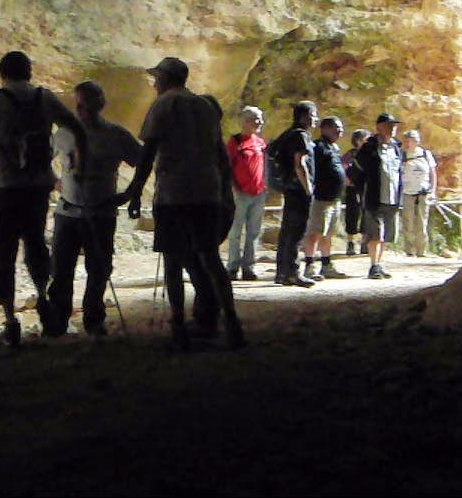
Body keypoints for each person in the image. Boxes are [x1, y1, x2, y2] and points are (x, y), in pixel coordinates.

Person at [119, 57, 245, 351]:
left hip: (175, 193)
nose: (154, 83)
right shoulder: (204, 106)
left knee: (173, 260)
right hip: (207, 191)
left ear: (166, 78)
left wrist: (135, 190)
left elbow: (149, 152)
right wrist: (225, 192)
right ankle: (232, 322)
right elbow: (220, 154)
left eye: (156, 78)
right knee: (211, 258)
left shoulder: (164, 104)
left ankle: (178, 327)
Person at [0, 51, 86, 348]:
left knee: (1, 252)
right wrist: (77, 162)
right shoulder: (44, 99)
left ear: (1, 73)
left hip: (2, 186)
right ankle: (43, 298)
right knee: (35, 244)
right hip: (37, 185)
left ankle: (10, 319)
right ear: (30, 72)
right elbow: (75, 126)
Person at [48, 81, 141, 337]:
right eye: (79, 104)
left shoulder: (116, 134)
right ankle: (58, 319)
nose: (83, 110)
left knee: (99, 268)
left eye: (87, 104)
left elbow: (142, 161)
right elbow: (42, 159)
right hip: (68, 211)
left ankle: (94, 318)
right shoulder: (63, 134)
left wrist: (130, 193)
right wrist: (56, 182)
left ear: (99, 104)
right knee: (61, 268)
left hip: (101, 212)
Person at [270, 101, 318, 288]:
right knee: (296, 232)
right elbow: (300, 164)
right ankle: (293, 272)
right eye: (313, 115)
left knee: (287, 232)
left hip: (289, 188)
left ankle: (281, 273)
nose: (315, 119)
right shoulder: (301, 136)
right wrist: (309, 188)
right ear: (304, 116)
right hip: (299, 190)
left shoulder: (287, 134)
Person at [350, 113, 404, 279]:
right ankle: (373, 265)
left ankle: (379, 264)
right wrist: (362, 191)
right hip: (374, 197)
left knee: (386, 233)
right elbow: (356, 171)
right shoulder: (369, 147)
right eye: (389, 125)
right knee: (375, 233)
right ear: (379, 127)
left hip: (392, 197)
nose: (392, 128)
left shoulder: (396, 147)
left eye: (394, 125)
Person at [225, 106, 267, 281]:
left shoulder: (261, 143)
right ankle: (232, 267)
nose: (260, 122)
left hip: (258, 193)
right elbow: (227, 167)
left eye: (260, 119)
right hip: (240, 193)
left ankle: (249, 267)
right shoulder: (235, 142)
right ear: (246, 121)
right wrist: (235, 189)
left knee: (253, 232)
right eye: (256, 119)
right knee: (235, 232)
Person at [303, 117, 348, 280]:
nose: (340, 131)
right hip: (321, 197)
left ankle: (326, 264)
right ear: (325, 129)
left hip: (334, 198)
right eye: (337, 128)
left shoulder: (334, 147)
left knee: (328, 234)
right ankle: (309, 265)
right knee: (314, 232)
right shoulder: (318, 147)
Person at [399, 129, 438, 258]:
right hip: (407, 193)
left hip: (423, 193)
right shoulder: (401, 155)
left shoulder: (426, 155)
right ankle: (409, 250)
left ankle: (422, 251)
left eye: (409, 141)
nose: (407, 143)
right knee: (408, 222)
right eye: (405, 141)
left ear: (416, 141)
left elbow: (433, 173)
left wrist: (433, 191)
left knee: (422, 222)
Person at [341, 128, 371, 256]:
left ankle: (364, 242)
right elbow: (343, 169)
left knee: (367, 214)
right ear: (358, 141)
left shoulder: (371, 154)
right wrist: (347, 181)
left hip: (367, 189)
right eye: (365, 139)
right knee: (352, 214)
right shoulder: (350, 154)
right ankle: (350, 243)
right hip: (353, 188)